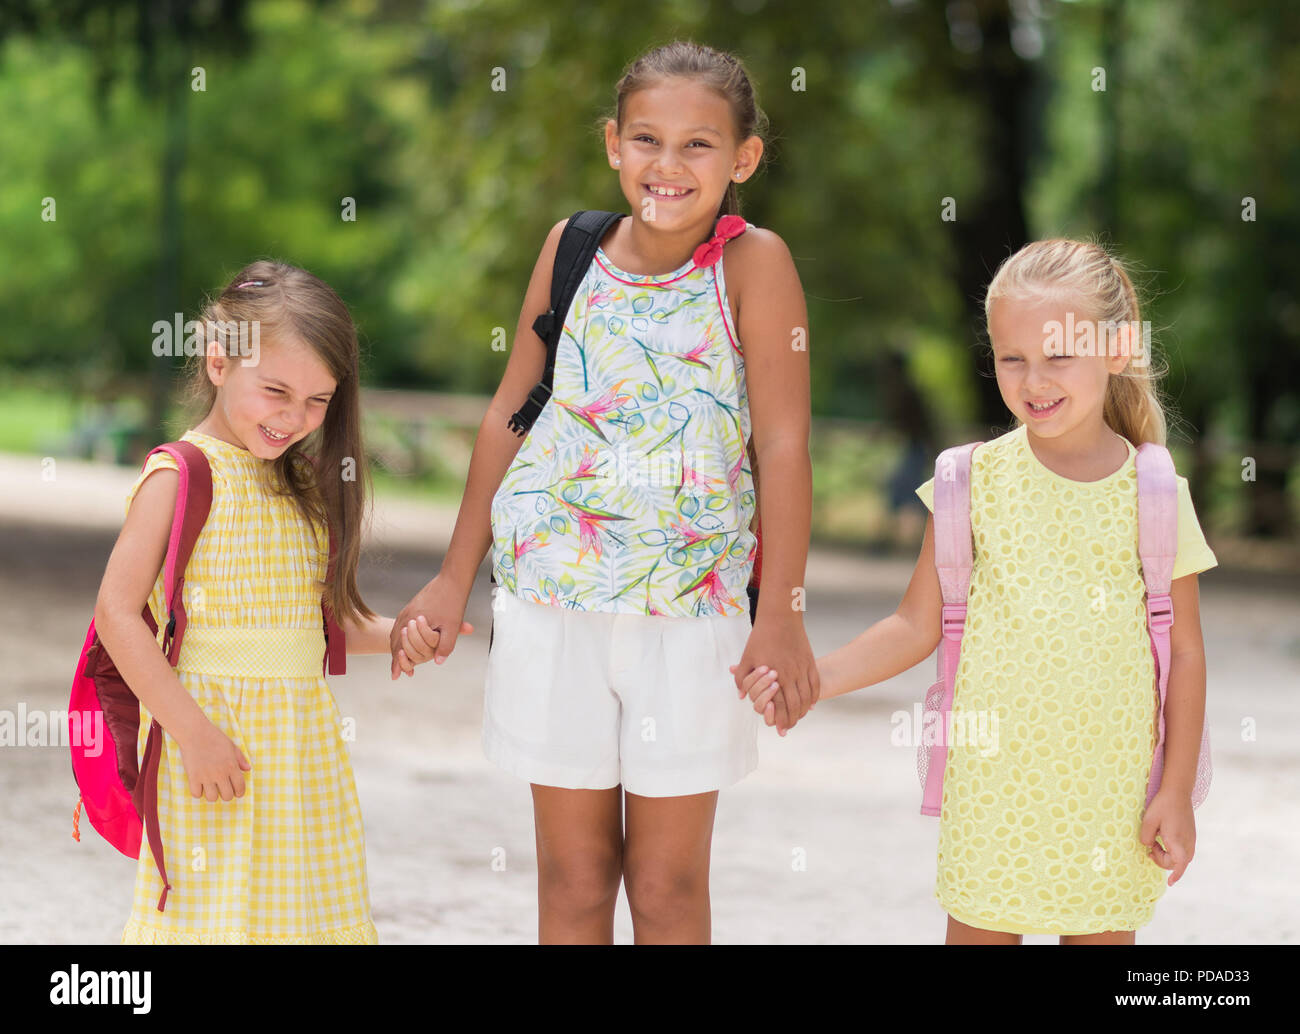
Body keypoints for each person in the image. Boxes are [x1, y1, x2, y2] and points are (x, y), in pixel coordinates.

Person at [391, 40, 817, 943]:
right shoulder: (572, 245)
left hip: (692, 615)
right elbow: (514, 406)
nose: (668, 166)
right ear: (614, 144)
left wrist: (779, 612)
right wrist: (451, 575)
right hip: (554, 601)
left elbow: (782, 443)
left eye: (698, 145)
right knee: (574, 881)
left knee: (667, 888)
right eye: (647, 141)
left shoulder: (755, 265)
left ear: (744, 158)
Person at [739, 239, 1217, 944]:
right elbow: (912, 625)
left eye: (1059, 355)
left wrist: (1174, 791)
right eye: (1011, 357)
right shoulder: (969, 483)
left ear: (1116, 350)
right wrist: (814, 680)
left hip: (1112, 802)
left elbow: (1185, 655)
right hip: (993, 797)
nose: (1033, 379)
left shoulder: (1155, 493)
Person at [94, 261, 451, 943]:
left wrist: (399, 631)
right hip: (210, 745)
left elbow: (309, 626)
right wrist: (194, 735)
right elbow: (117, 614)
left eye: (318, 401)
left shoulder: (303, 490)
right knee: (215, 918)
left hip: (300, 753)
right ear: (219, 361)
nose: (295, 417)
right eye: (277, 390)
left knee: (301, 918)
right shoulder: (181, 475)